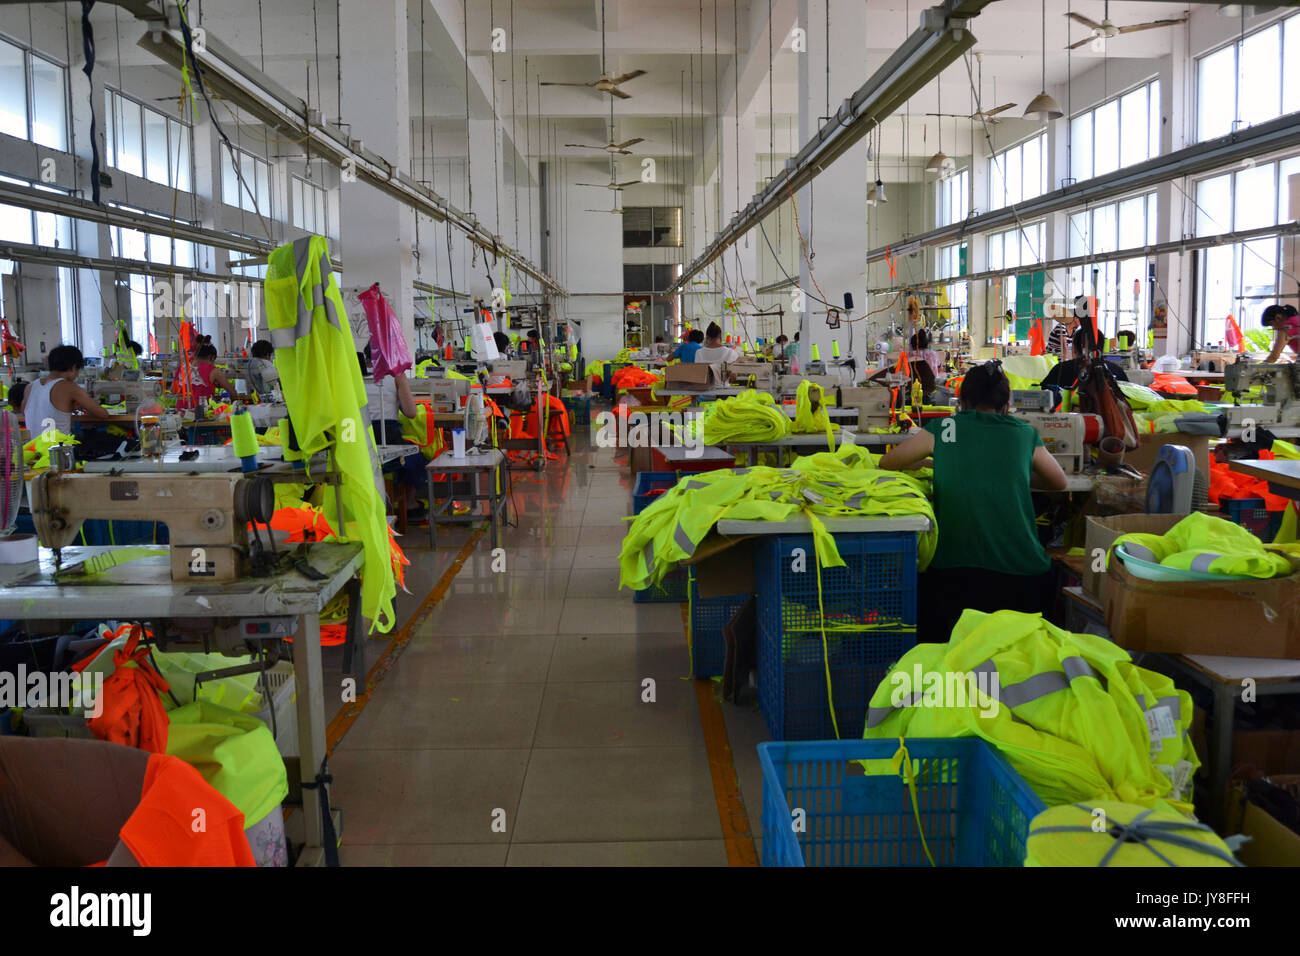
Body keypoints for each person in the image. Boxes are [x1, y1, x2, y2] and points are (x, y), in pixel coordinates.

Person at [879, 362, 1068, 642]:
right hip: (1022, 577)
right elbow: (1059, 483)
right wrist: (1014, 475)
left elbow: (889, 462)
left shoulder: (945, 428)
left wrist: (935, 460)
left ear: (963, 401)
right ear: (1006, 405)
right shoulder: (1023, 432)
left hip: (954, 577)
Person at [358, 351, 424, 516]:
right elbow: (411, 412)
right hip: (388, 441)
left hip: (360, 442)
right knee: (414, 455)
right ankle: (409, 503)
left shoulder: (353, 376)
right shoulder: (396, 376)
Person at [20, 345, 110, 437]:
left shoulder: (30, 387)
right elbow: (103, 414)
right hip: (57, 449)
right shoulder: (69, 387)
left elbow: (27, 412)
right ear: (73, 367)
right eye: (78, 370)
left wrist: (67, 407)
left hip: (32, 448)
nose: (77, 374)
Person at [1040, 327, 1129, 391]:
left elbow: (1041, 394)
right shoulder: (1117, 371)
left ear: (1074, 348)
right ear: (1102, 347)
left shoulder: (1060, 370)